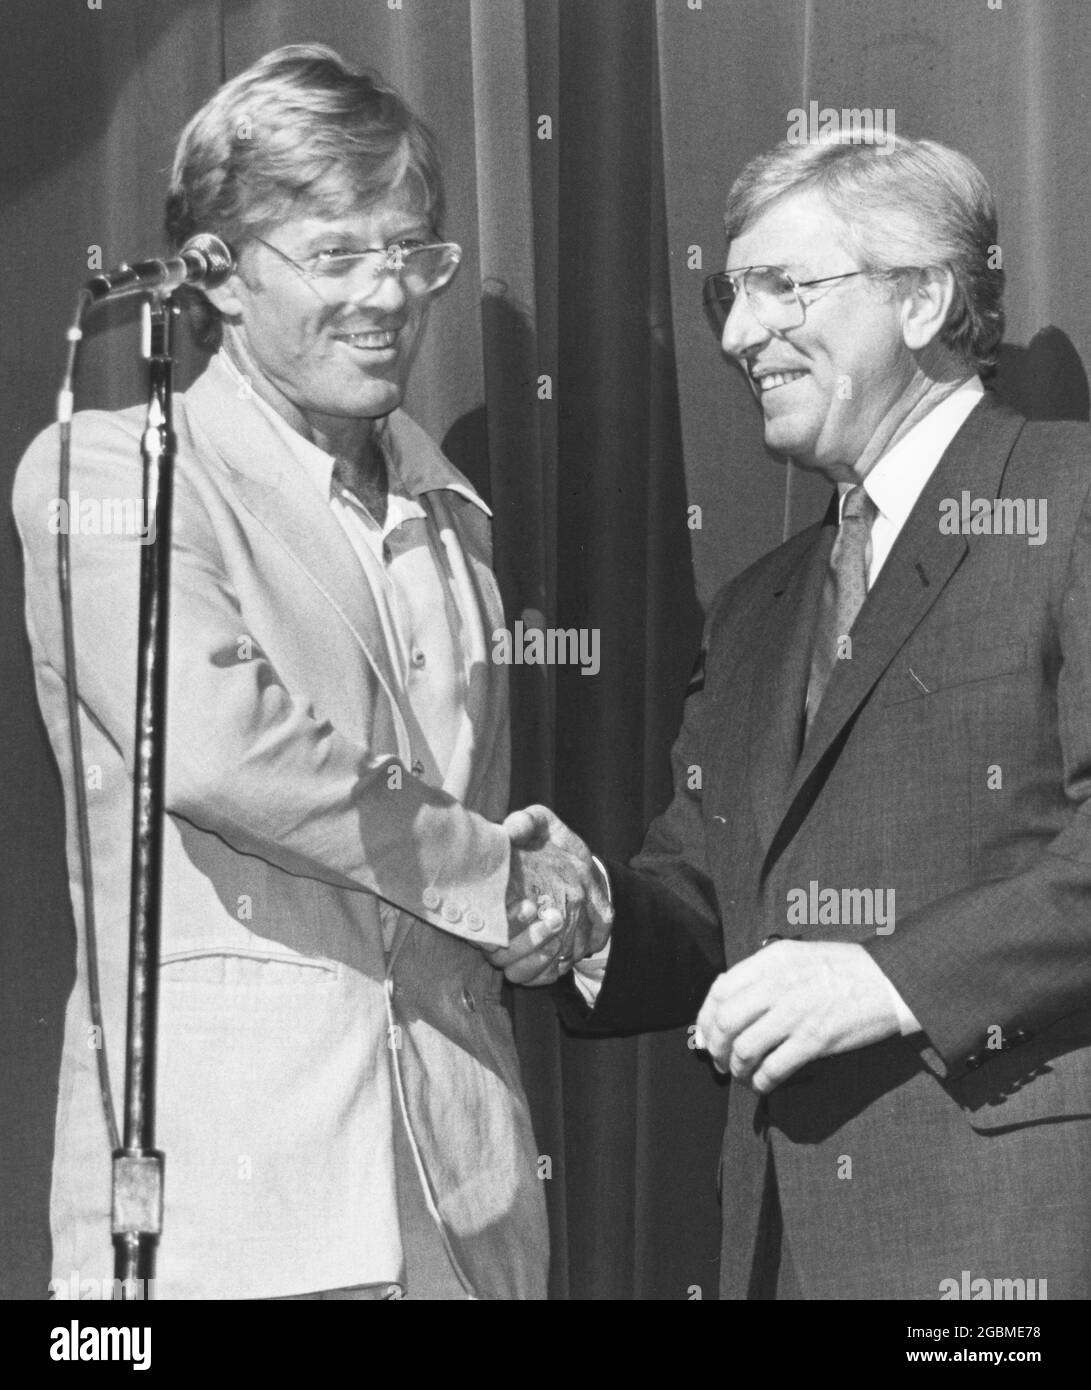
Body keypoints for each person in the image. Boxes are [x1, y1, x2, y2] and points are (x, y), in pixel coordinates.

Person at [13, 43, 602, 1301]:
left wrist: (556, 896)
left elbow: (438, 824)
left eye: (413, 251)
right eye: (337, 254)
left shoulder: (454, 515)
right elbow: (225, 745)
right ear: (215, 275)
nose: (388, 293)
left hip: (462, 1206)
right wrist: (500, 876)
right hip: (229, 1207)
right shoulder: (107, 475)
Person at [495, 132, 1091, 1299]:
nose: (733, 334)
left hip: (1012, 1247)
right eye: (729, 293)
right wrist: (590, 915)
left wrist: (886, 980)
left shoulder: (1067, 498)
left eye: (784, 287)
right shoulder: (757, 607)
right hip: (779, 1251)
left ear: (920, 297)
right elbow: (712, 899)